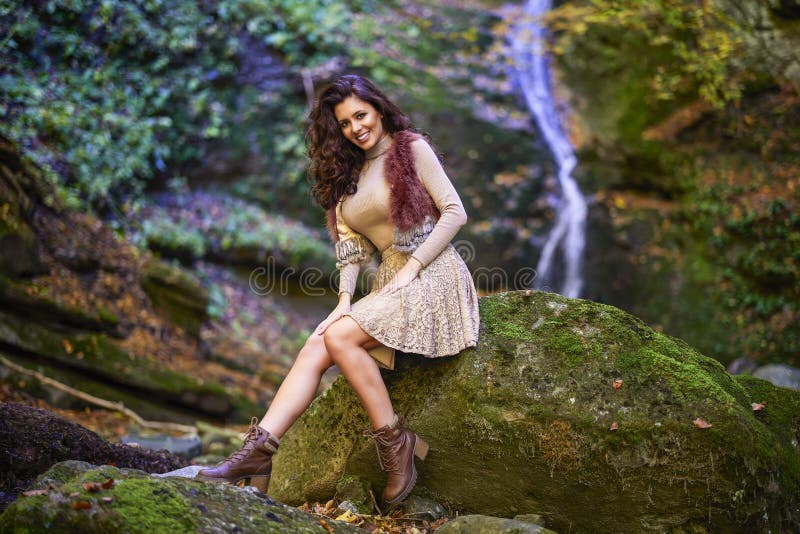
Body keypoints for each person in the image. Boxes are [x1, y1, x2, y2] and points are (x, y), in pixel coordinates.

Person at [197, 74, 480, 511]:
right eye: (345, 123)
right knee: (319, 341)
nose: (355, 128)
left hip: (433, 271)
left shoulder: (410, 148)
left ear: (379, 109)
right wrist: (344, 302)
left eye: (361, 116)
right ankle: (257, 454)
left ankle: (396, 441)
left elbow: (455, 212)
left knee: (341, 338)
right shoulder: (349, 174)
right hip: (391, 279)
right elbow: (350, 251)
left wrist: (414, 267)